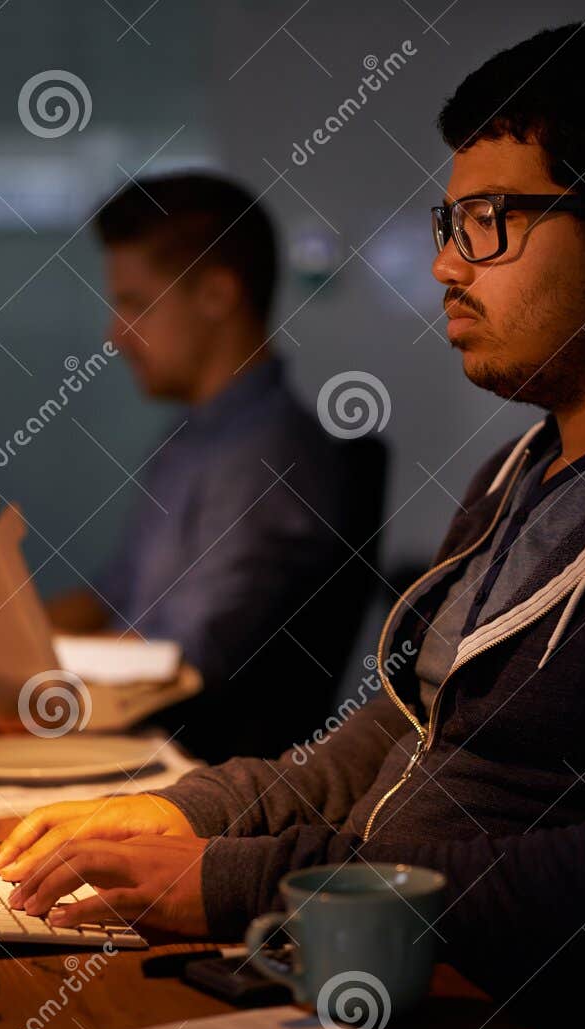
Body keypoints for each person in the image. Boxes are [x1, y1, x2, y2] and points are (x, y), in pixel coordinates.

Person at [0, 22, 585, 1029]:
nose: (444, 263)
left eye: (489, 222)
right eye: (451, 220)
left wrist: (234, 880)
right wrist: (182, 814)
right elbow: (384, 742)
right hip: (377, 977)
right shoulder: (520, 474)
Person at [46, 173, 383, 761]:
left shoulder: (270, 455)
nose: (116, 334)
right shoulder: (189, 434)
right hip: (130, 737)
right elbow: (115, 591)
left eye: (136, 304)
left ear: (217, 296)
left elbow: (180, 659)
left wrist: (26, 662)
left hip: (186, 769)